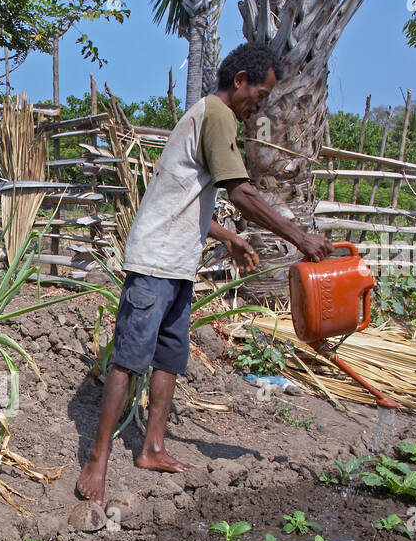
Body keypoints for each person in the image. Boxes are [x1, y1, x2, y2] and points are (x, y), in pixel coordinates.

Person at [76, 42, 335, 505]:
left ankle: (152, 448)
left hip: (177, 263)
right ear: (239, 81)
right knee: (129, 360)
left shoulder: (213, 118)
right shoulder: (216, 115)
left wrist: (226, 237)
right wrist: (302, 238)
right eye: (259, 93)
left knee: (170, 359)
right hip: (155, 261)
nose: (261, 103)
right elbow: (241, 193)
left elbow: (183, 197)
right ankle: (96, 459)